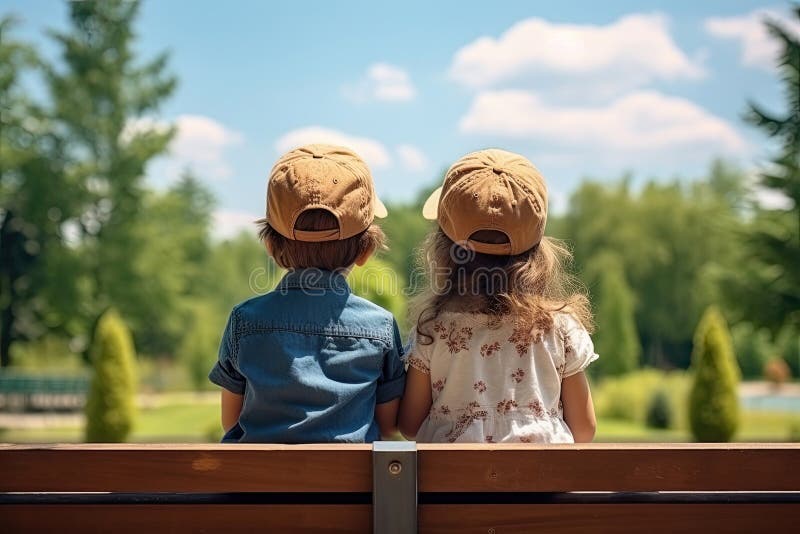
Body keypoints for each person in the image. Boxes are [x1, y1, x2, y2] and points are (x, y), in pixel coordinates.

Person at [209, 144, 406, 443]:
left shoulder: (244, 321)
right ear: (365, 251)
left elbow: (230, 421)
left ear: (271, 248)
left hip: (254, 488)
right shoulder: (380, 327)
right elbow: (388, 426)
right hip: (349, 490)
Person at [398, 149, 598, 443]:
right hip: (540, 487)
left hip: (453, 486)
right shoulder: (561, 329)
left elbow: (410, 425)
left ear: (446, 251)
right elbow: (584, 429)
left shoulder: (433, 329)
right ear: (537, 251)